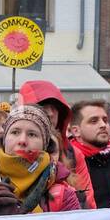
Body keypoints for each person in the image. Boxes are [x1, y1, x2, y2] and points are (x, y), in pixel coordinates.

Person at [0, 104, 80, 217]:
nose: (22, 140)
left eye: (32, 134)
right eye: (15, 132)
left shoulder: (63, 195)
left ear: (44, 145)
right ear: (4, 140)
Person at [20, 80, 96, 209]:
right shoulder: (8, 152)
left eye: (55, 107)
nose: (50, 113)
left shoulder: (72, 153)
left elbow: (88, 204)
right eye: (42, 106)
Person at [68, 100, 110, 208]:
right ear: (76, 131)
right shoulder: (69, 166)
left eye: (105, 120)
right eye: (94, 121)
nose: (103, 125)